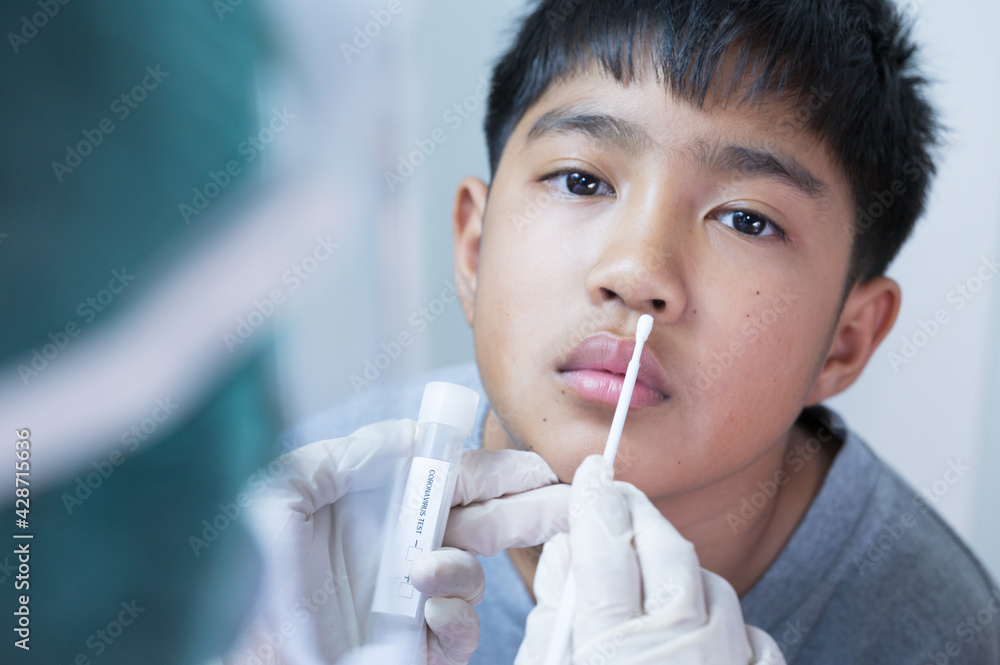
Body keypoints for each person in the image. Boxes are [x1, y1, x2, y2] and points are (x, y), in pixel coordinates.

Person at [234, 1, 1000, 663]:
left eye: (746, 220)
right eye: (581, 180)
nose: (637, 272)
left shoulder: (932, 630)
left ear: (846, 340)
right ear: (473, 249)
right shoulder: (304, 535)